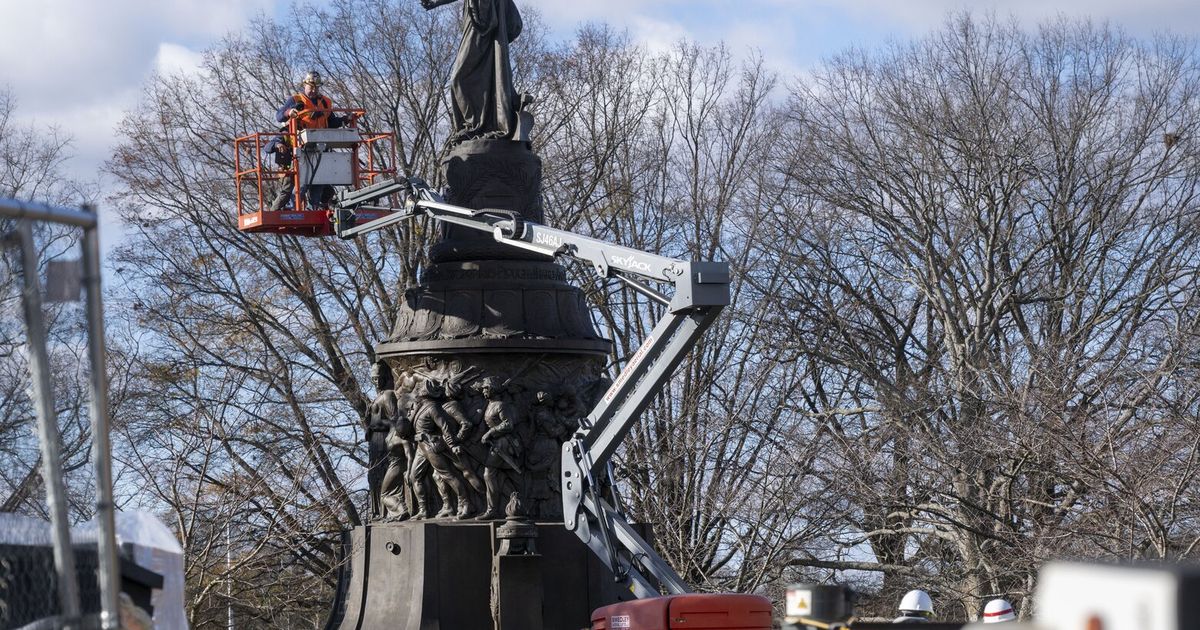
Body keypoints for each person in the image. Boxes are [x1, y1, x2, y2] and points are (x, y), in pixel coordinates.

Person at [268, 70, 354, 211]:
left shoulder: (325, 102)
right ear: (305, 85)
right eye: (311, 87)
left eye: (316, 87)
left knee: (320, 180)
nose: (313, 90)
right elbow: (279, 116)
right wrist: (290, 112)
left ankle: (312, 208)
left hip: (321, 148)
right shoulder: (296, 100)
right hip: (301, 150)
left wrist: (345, 119)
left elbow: (331, 122)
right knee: (301, 182)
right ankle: (293, 208)